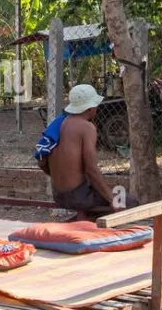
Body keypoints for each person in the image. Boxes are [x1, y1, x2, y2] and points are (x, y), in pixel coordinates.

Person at [35, 84, 138, 216]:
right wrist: (111, 199)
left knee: (104, 193)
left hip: (58, 195)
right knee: (129, 201)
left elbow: (42, 162)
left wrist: (61, 178)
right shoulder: (87, 127)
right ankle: (94, 225)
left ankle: (86, 219)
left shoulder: (59, 123)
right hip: (78, 197)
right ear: (90, 108)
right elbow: (91, 169)